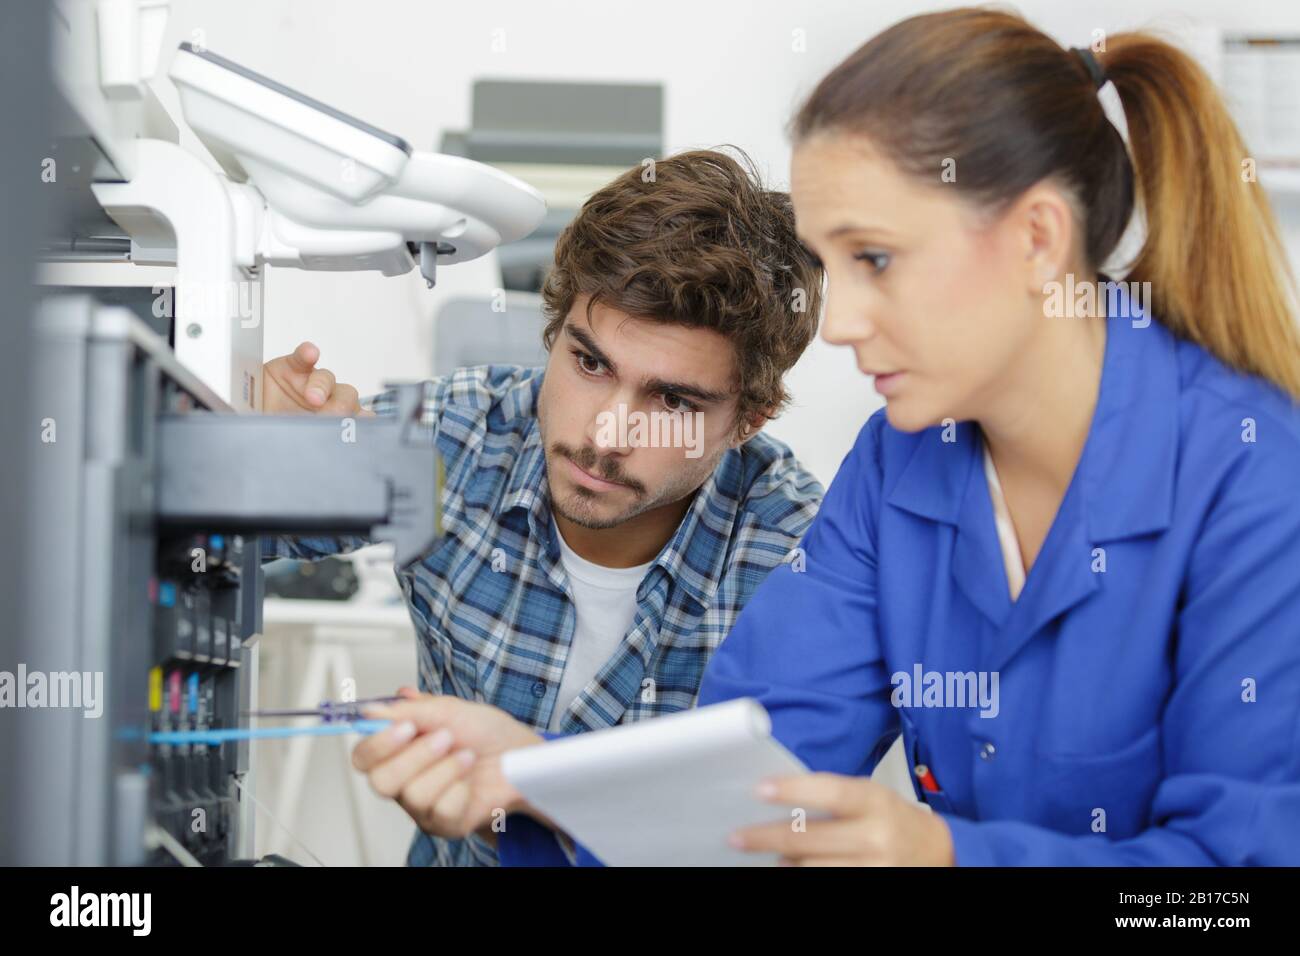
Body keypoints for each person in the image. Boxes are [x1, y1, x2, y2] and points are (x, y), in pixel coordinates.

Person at [354, 8, 1300, 866]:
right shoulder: (903, 464)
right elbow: (752, 783)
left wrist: (950, 861)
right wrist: (538, 778)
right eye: (834, 263)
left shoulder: (1257, 482)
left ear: (1037, 240)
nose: (840, 325)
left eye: (876, 258)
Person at [261, 148, 824, 865]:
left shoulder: (794, 554)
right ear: (553, 332)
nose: (604, 436)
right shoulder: (460, 438)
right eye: (590, 363)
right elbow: (207, 529)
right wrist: (255, 438)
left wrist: (536, 777)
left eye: (673, 399)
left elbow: (773, 832)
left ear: (751, 417)